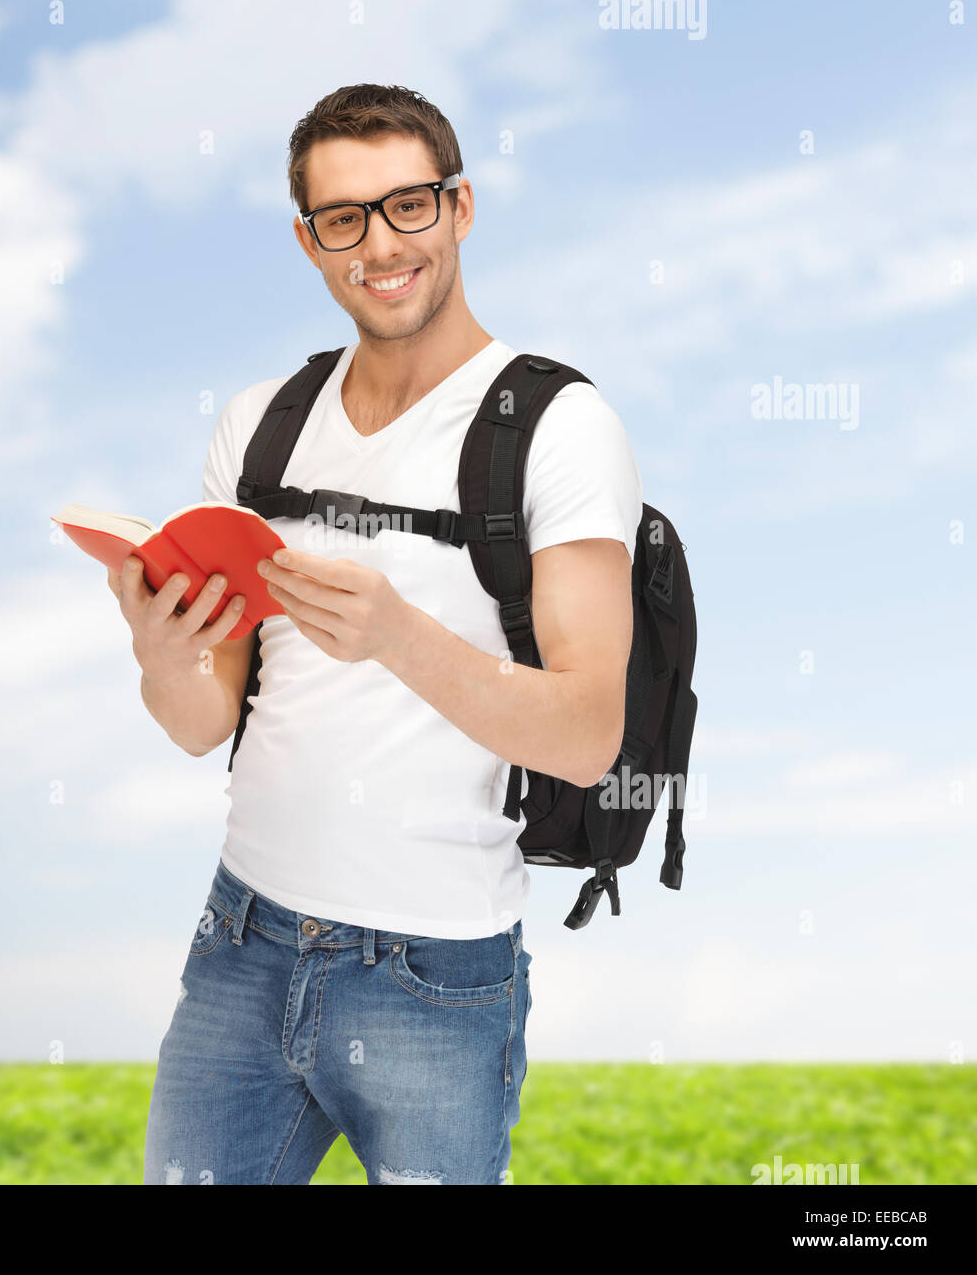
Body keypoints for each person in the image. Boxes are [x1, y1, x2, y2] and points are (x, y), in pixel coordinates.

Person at [110, 84, 643, 1185]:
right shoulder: (258, 425)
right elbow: (204, 723)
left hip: (435, 973)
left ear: (461, 207)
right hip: (241, 942)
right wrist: (163, 655)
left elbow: (590, 734)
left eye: (409, 205)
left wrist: (401, 636)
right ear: (310, 241)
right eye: (345, 218)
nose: (382, 244)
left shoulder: (557, 426)